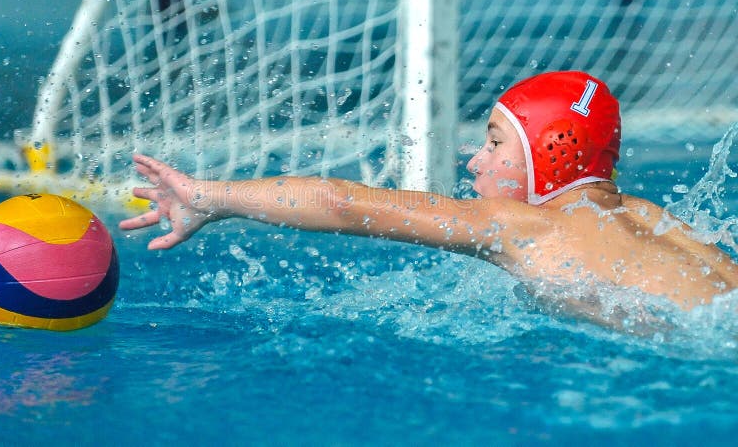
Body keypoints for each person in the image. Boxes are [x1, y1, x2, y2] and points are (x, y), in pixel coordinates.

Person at [119, 71, 738, 312]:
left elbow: (345, 203)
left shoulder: (528, 227)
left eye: (496, 144)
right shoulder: (655, 219)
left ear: (550, 159)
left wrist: (210, 195)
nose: (474, 162)